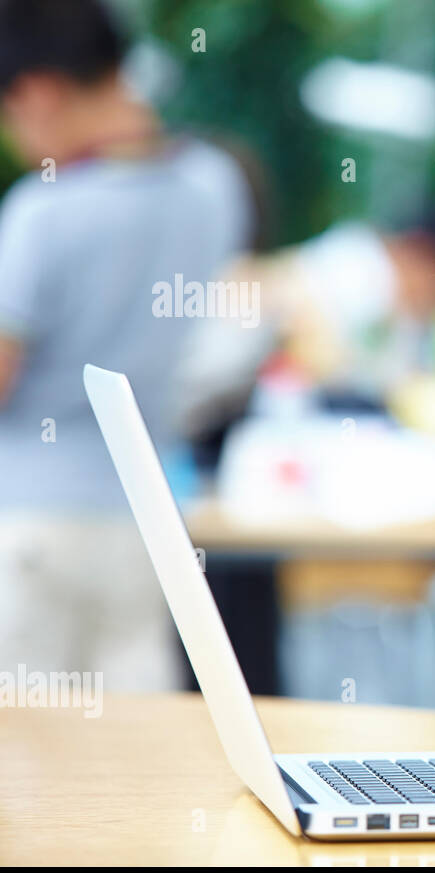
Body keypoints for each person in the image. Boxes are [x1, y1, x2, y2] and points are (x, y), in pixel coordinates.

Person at [0, 0, 254, 691]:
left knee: (21, 765)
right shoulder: (213, 187)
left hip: (28, 521)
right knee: (131, 757)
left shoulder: (39, 212)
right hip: (146, 520)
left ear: (39, 93)